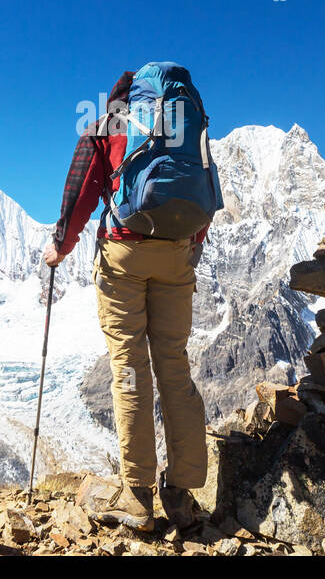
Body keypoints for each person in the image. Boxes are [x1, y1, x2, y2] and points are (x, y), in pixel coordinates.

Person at [42, 68, 212, 533]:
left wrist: (62, 243)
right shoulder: (187, 123)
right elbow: (203, 190)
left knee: (130, 368)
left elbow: (81, 189)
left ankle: (137, 497)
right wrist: (188, 244)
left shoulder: (111, 122)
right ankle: (180, 493)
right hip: (176, 253)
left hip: (124, 249)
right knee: (174, 365)